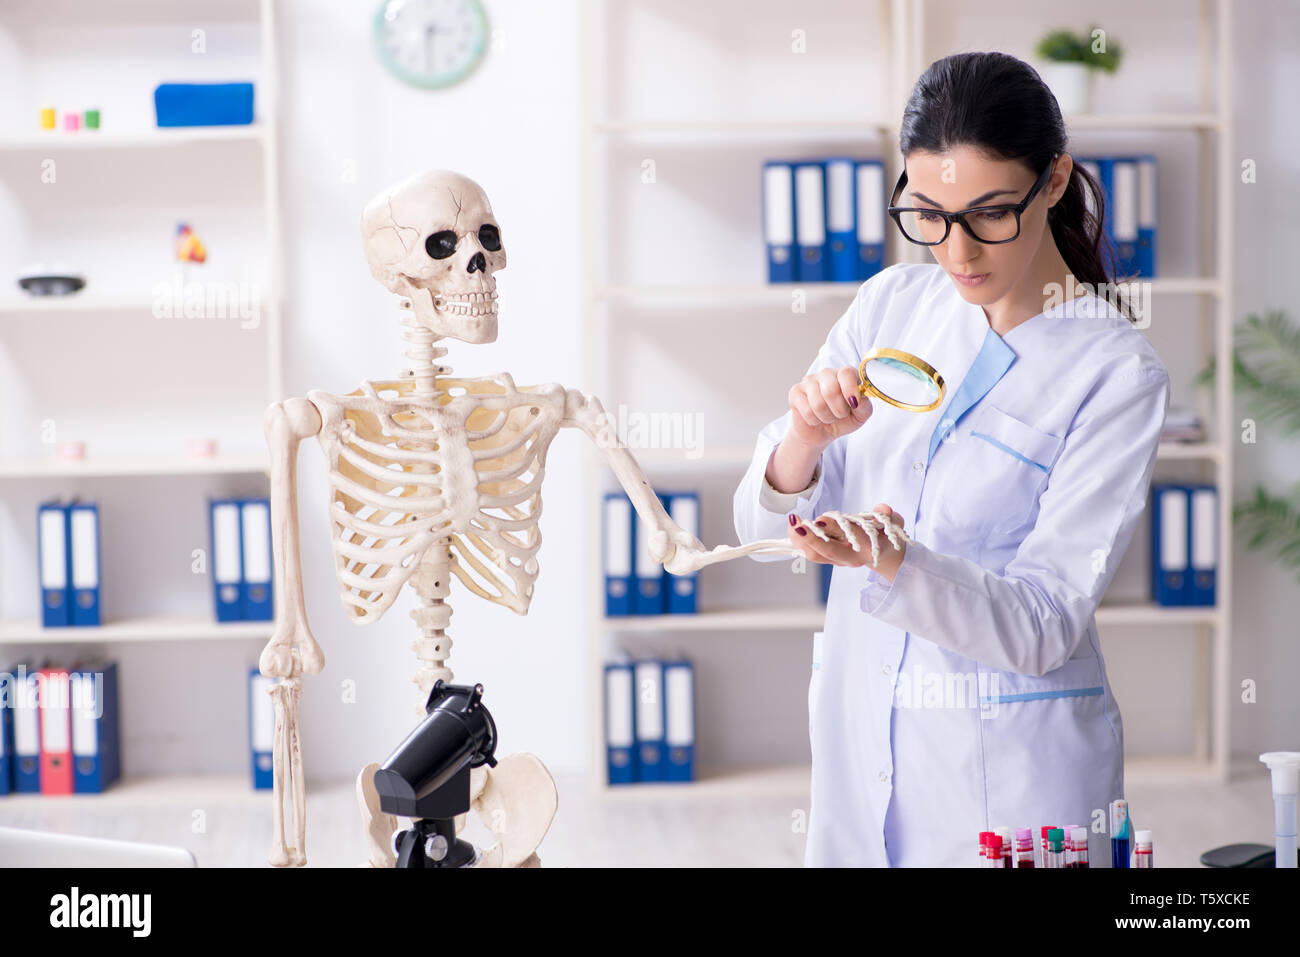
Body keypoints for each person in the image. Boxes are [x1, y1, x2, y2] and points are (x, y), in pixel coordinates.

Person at [733, 51, 1170, 867]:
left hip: (1018, 780)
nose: (957, 250)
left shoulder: (1115, 372)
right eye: (928, 213)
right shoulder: (891, 304)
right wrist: (806, 439)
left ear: (1052, 181)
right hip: (862, 737)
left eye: (989, 213)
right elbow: (757, 518)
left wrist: (898, 560)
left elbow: (1045, 620)